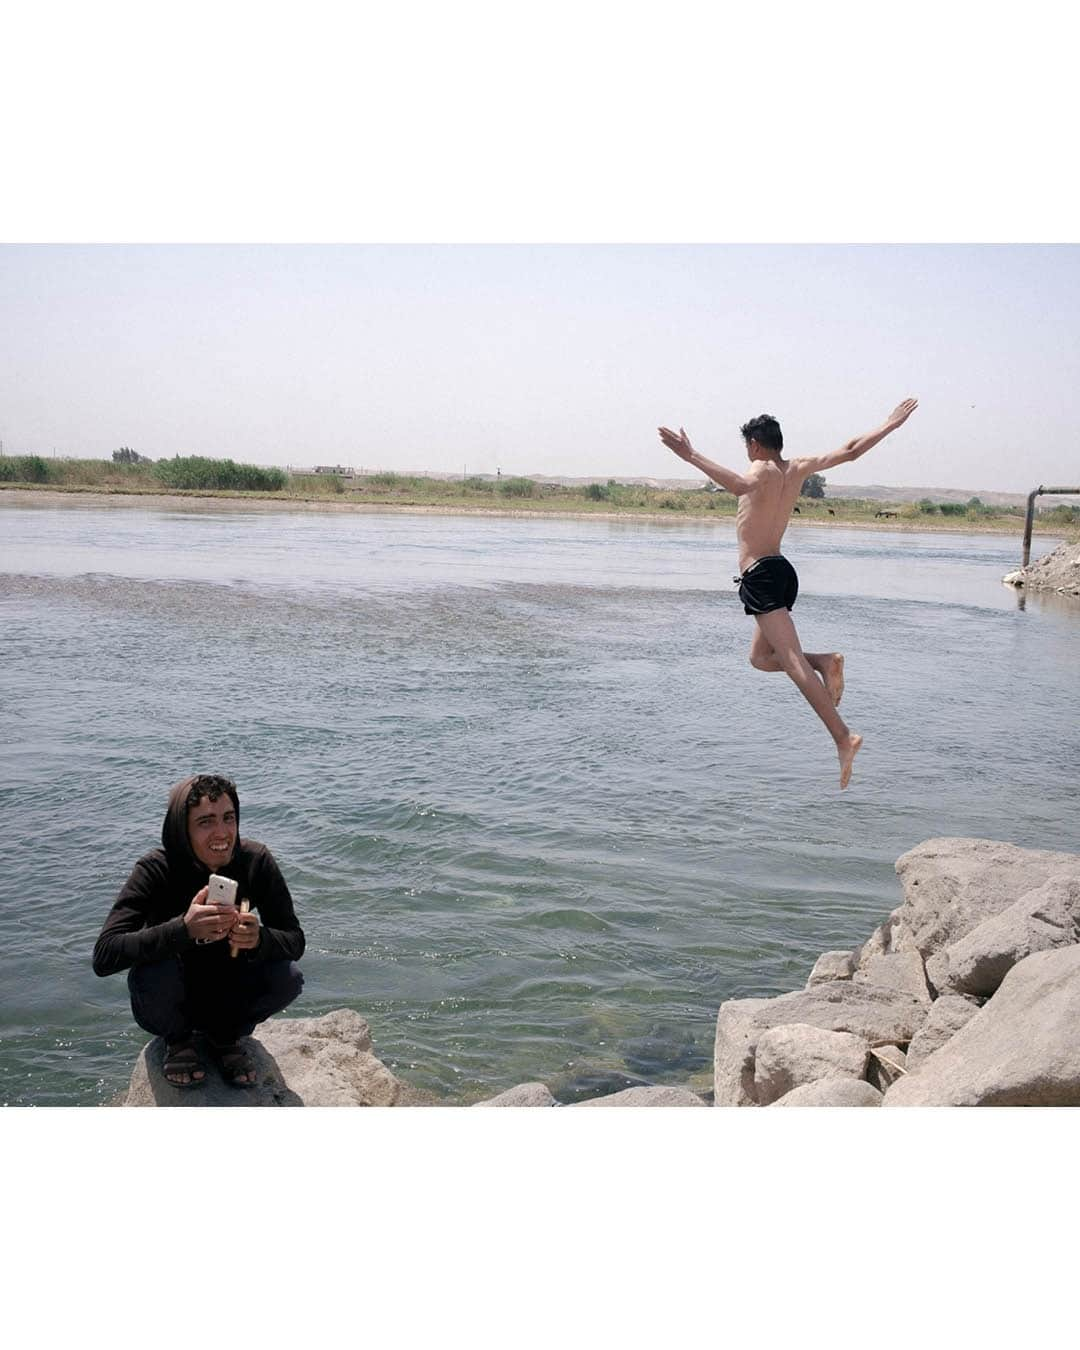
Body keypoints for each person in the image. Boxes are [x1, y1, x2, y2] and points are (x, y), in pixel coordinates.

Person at [658, 399, 919, 789]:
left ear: (756, 445)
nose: (748, 454)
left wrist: (689, 453)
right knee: (761, 659)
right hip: (781, 570)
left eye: (748, 447)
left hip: (760, 574)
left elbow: (738, 485)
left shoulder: (760, 470)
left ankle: (843, 737)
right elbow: (849, 451)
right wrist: (889, 425)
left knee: (792, 663)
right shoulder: (795, 468)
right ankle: (825, 661)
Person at [93, 773, 305, 1088]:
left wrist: (259, 938)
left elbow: (295, 941)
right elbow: (105, 955)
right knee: (156, 967)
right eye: (206, 822)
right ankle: (178, 1041)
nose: (222, 833)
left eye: (229, 818)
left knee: (288, 978)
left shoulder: (255, 861)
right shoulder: (155, 869)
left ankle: (225, 1038)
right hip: (168, 998)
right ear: (183, 830)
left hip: (229, 995)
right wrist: (183, 929)